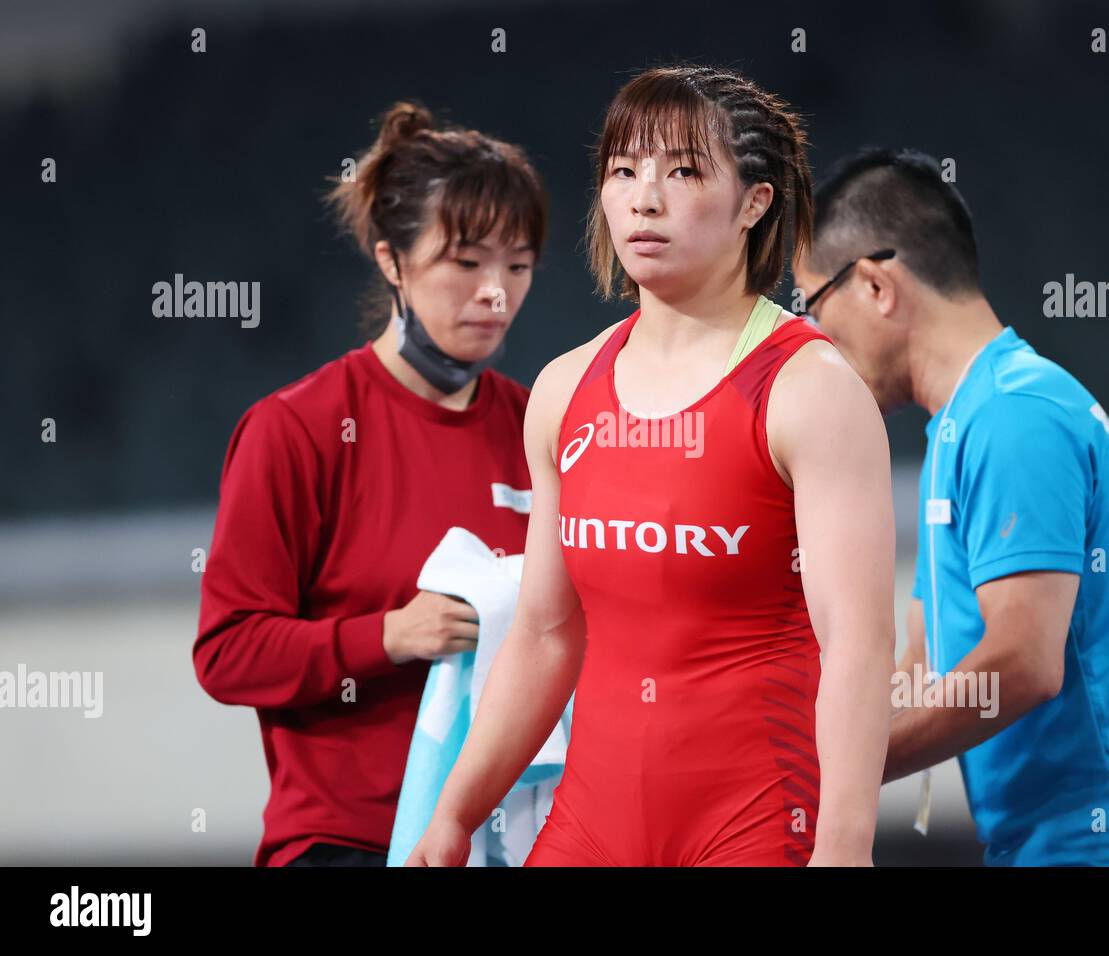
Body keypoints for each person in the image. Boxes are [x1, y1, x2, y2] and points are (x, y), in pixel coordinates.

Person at [406, 65, 896, 867]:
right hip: (591, 827)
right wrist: (454, 814)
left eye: (684, 171)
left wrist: (845, 846)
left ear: (754, 203)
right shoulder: (564, 391)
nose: (644, 198)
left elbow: (859, 641)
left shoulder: (812, 391)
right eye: (625, 171)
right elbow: (542, 632)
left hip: (758, 825)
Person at [794, 146, 1109, 866]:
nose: (812, 338)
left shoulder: (1012, 418)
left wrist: (843, 773)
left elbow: (1024, 662)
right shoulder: (964, 426)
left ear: (876, 285)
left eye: (812, 305)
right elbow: (920, 658)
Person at [193, 101, 547, 866]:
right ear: (391, 261)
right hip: (346, 842)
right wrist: (388, 636)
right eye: (467, 262)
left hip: (519, 836)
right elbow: (227, 653)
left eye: (518, 265)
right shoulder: (296, 429)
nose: (496, 293)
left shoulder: (543, 426)